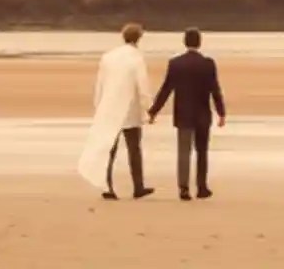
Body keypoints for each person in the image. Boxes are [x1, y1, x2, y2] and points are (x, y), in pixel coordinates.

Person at [77, 23, 156, 200]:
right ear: (139, 38)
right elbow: (142, 86)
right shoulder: (137, 58)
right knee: (134, 149)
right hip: (130, 109)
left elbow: (100, 84)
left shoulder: (108, 57)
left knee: (109, 149)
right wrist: (149, 108)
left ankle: (107, 186)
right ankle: (138, 187)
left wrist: (98, 105)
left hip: (109, 108)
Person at [148, 28, 226, 201]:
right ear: (199, 42)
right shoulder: (208, 63)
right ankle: (201, 187)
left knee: (184, 151)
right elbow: (215, 89)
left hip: (183, 113)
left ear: (185, 42)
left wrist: (154, 111)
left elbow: (166, 89)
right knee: (202, 151)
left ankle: (183, 188)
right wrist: (221, 112)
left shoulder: (176, 63)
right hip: (203, 114)